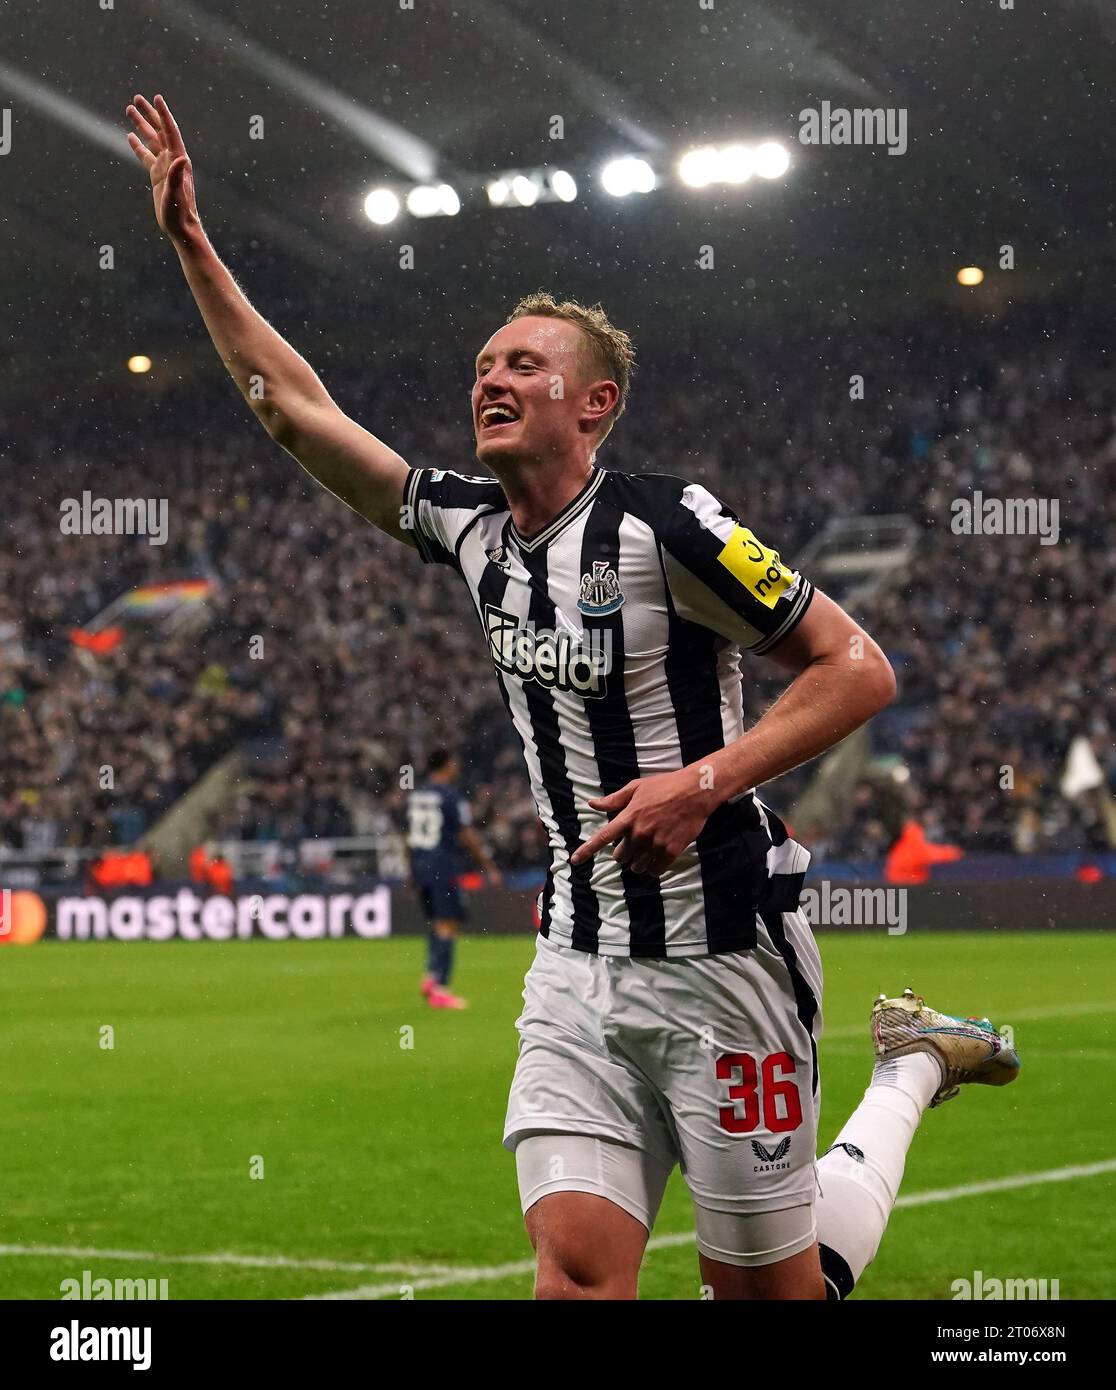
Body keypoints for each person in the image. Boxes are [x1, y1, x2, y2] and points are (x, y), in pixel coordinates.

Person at [126, 94, 1020, 1299]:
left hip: (724, 955)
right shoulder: (470, 529)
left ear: (593, 404)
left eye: (525, 365)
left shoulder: (667, 524)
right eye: (485, 364)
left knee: (771, 1287)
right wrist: (194, 243)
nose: (492, 378)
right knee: (580, 1276)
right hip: (577, 961)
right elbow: (294, 409)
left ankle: (909, 1068)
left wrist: (704, 782)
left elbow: (859, 667)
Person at [407, 749, 503, 1009]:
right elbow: (466, 834)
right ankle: (440, 987)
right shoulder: (450, 795)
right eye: (454, 762)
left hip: (421, 864)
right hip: (443, 866)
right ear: (447, 765)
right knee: (448, 924)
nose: (457, 766)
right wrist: (488, 864)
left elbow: (409, 834)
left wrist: (411, 872)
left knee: (439, 922)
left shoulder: (418, 795)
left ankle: (430, 976)